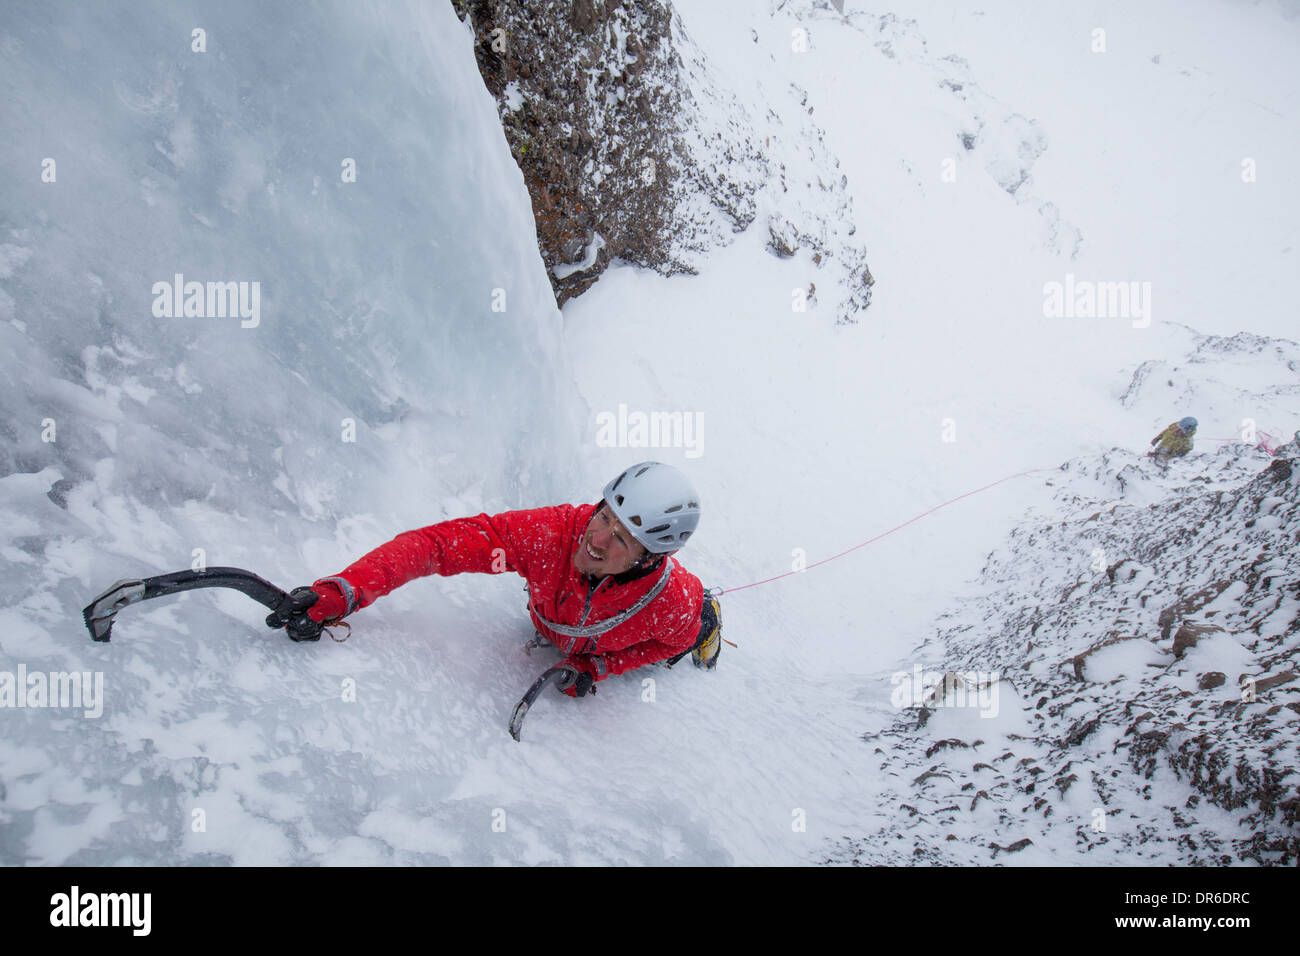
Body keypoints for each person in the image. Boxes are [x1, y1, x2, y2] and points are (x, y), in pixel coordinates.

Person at [265, 461, 721, 697]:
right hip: (564, 627)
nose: (595, 539)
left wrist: (600, 666)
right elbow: (438, 546)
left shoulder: (670, 602)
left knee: (694, 628)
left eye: (621, 538)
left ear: (649, 558)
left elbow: (668, 644)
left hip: (669, 621)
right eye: (603, 515)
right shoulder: (552, 535)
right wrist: (347, 590)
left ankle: (713, 618)